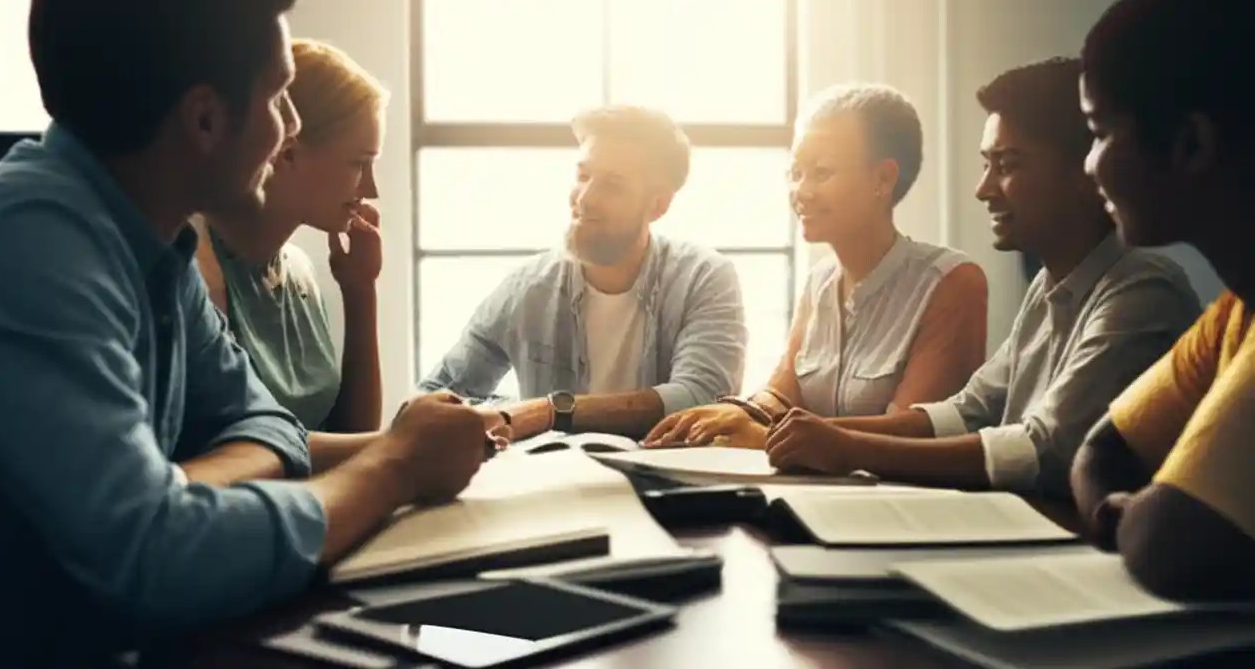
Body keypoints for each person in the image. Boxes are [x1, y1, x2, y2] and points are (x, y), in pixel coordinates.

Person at [0, 0, 487, 663]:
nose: (284, 132)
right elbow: (156, 560)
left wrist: (189, 484)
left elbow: (268, 421)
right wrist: (395, 466)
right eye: (280, 99)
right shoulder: (26, 241)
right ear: (207, 119)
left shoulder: (153, 243)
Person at [760, 58, 1198, 498]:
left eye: (1006, 165)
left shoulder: (1142, 291)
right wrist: (816, 434)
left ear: (1085, 170)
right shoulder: (1048, 290)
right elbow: (968, 411)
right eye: (986, 164)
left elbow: (1044, 450)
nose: (983, 189)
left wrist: (849, 447)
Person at [645, 84, 987, 449]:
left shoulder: (952, 283)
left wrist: (765, 437)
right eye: (795, 172)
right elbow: (782, 392)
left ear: (883, 179)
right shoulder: (820, 280)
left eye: (821, 172)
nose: (801, 191)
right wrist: (733, 412)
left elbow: (911, 433)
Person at [1070, 0, 1255, 601]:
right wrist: (1126, 515)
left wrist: (1133, 519)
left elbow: (1168, 547)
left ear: (1191, 144)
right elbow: (1099, 453)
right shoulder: (1234, 314)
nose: (1089, 165)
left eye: (1097, 132)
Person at [419, 105, 747, 440]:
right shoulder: (528, 288)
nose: (585, 199)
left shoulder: (703, 278)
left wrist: (548, 412)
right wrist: (511, 412)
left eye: (613, 185)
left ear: (658, 205)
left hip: (668, 488)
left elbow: (703, 398)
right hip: (554, 486)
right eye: (583, 176)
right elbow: (433, 397)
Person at [193, 39, 386, 435]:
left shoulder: (298, 270)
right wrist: (405, 446)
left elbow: (352, 436)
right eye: (359, 163)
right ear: (288, 152)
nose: (370, 189)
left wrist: (360, 290)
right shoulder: (198, 272)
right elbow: (232, 448)